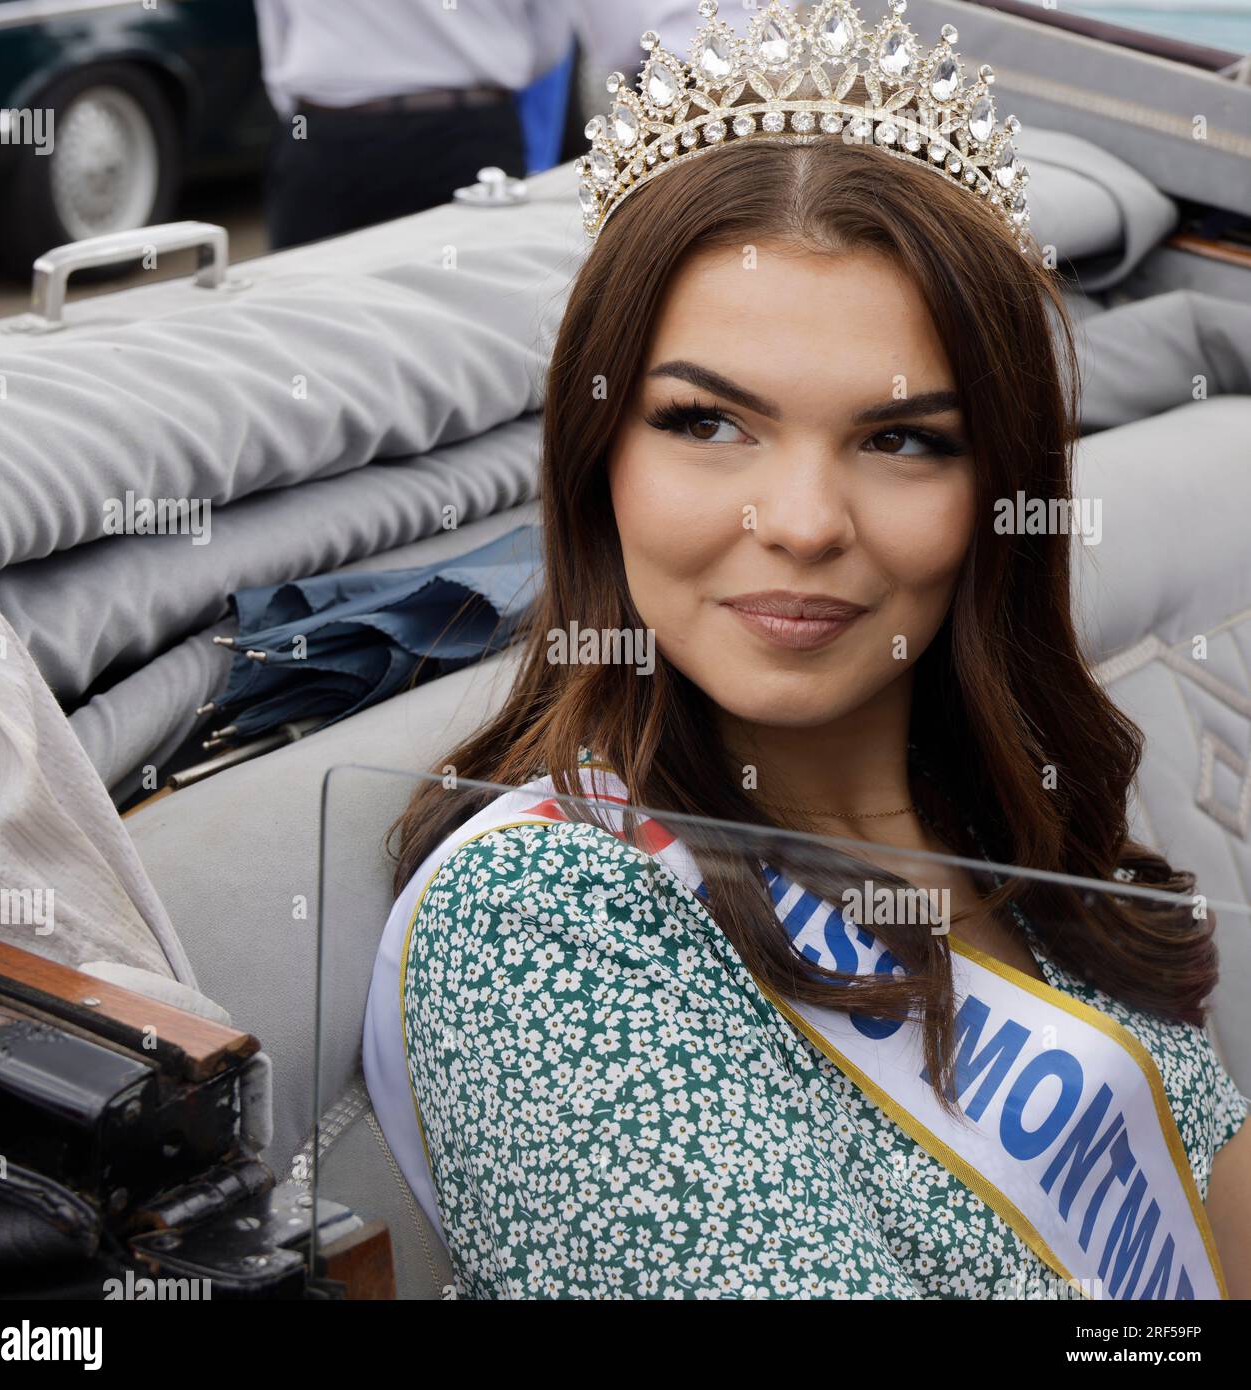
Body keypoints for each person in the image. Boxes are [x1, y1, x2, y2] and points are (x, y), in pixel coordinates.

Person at [362, 0, 1250, 1299]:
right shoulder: (547, 922)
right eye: (709, 423)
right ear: (593, 455)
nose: (800, 523)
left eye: (902, 440)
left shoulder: (1033, 831)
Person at [255, 0, 574, 249]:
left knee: (308, 311)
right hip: (470, 126)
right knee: (476, 307)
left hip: (328, 131)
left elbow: (276, 29)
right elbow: (549, 36)